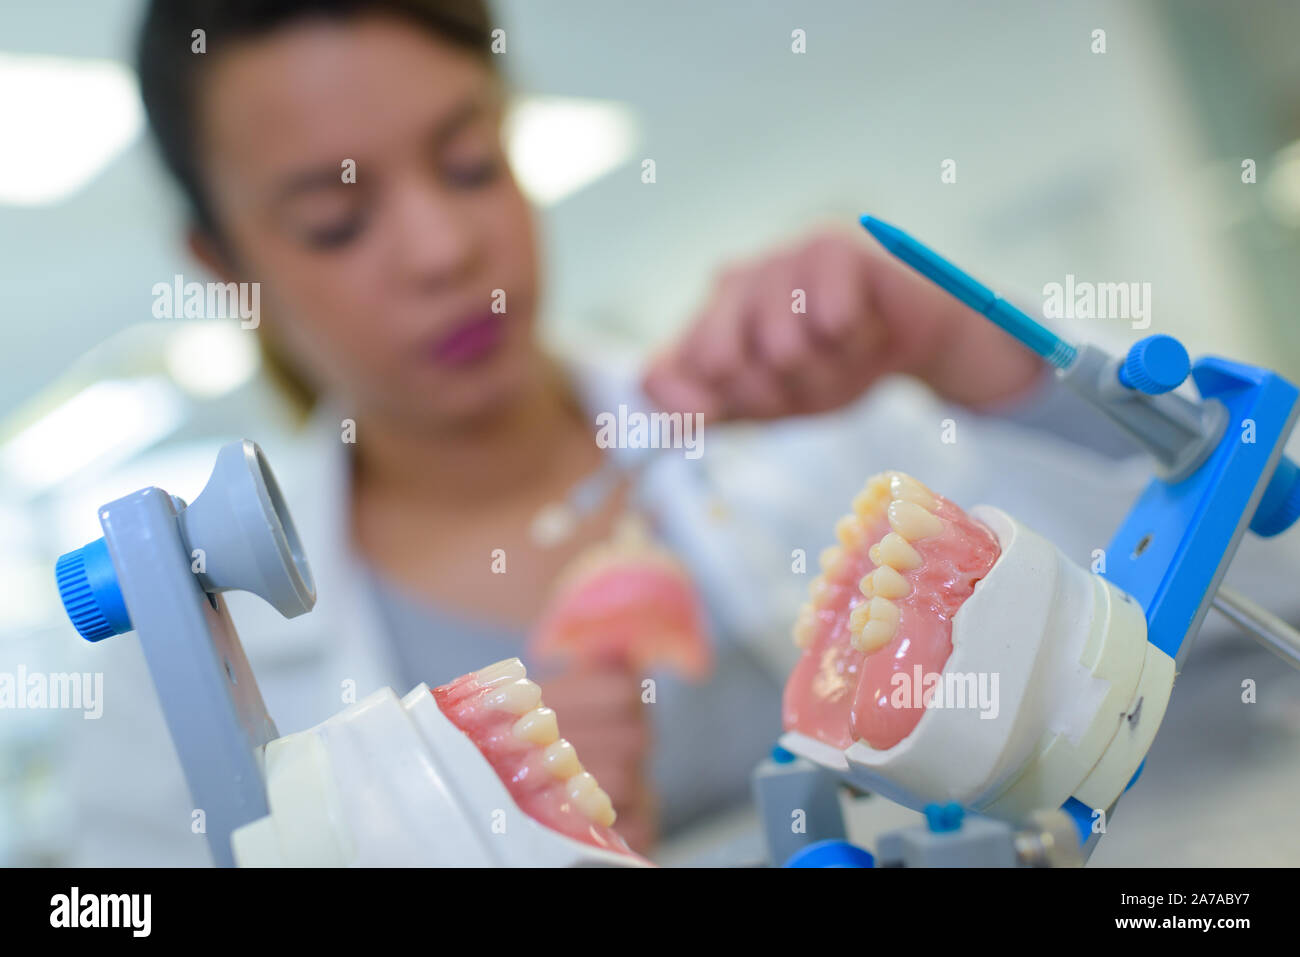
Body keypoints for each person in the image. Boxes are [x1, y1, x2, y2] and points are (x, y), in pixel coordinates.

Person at [46, 0, 1296, 865]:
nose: (440, 249)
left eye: (470, 161)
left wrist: (989, 366)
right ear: (223, 261)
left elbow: (1258, 649)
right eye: (335, 220)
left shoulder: (819, 433)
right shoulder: (170, 693)